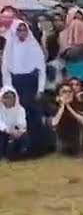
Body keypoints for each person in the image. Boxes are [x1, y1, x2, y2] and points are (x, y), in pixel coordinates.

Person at [2, 19, 49, 154]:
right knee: (18, 117)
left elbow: (41, 70)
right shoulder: (10, 47)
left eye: (24, 30)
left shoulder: (33, 46)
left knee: (35, 116)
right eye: (19, 30)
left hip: (32, 85)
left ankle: (37, 147)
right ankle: (18, 148)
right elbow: (6, 70)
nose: (22, 33)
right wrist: (9, 90)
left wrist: (40, 89)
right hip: (16, 86)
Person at [0, 86, 32, 159]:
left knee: (25, 136)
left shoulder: (20, 109)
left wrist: (18, 132)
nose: (8, 100)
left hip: (15, 132)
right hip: (3, 132)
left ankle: (22, 153)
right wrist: (8, 130)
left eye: (10, 97)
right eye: (6, 97)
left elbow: (22, 124)